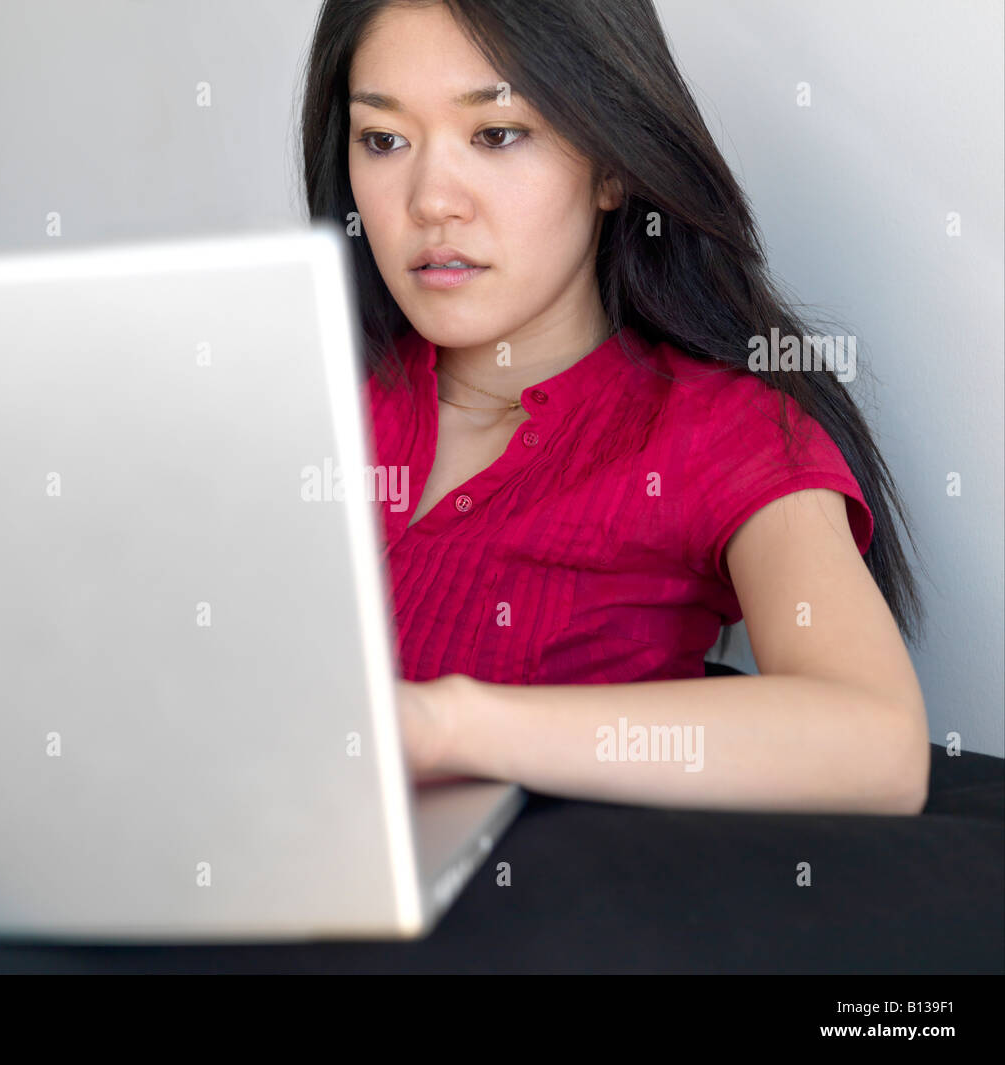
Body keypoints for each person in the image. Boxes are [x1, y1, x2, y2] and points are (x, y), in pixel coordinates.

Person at [299, 0, 929, 813]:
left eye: (495, 134)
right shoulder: (305, 400)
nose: (430, 201)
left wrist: (444, 723)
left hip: (526, 927)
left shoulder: (723, 433)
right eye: (383, 140)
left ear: (611, 165)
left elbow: (874, 740)